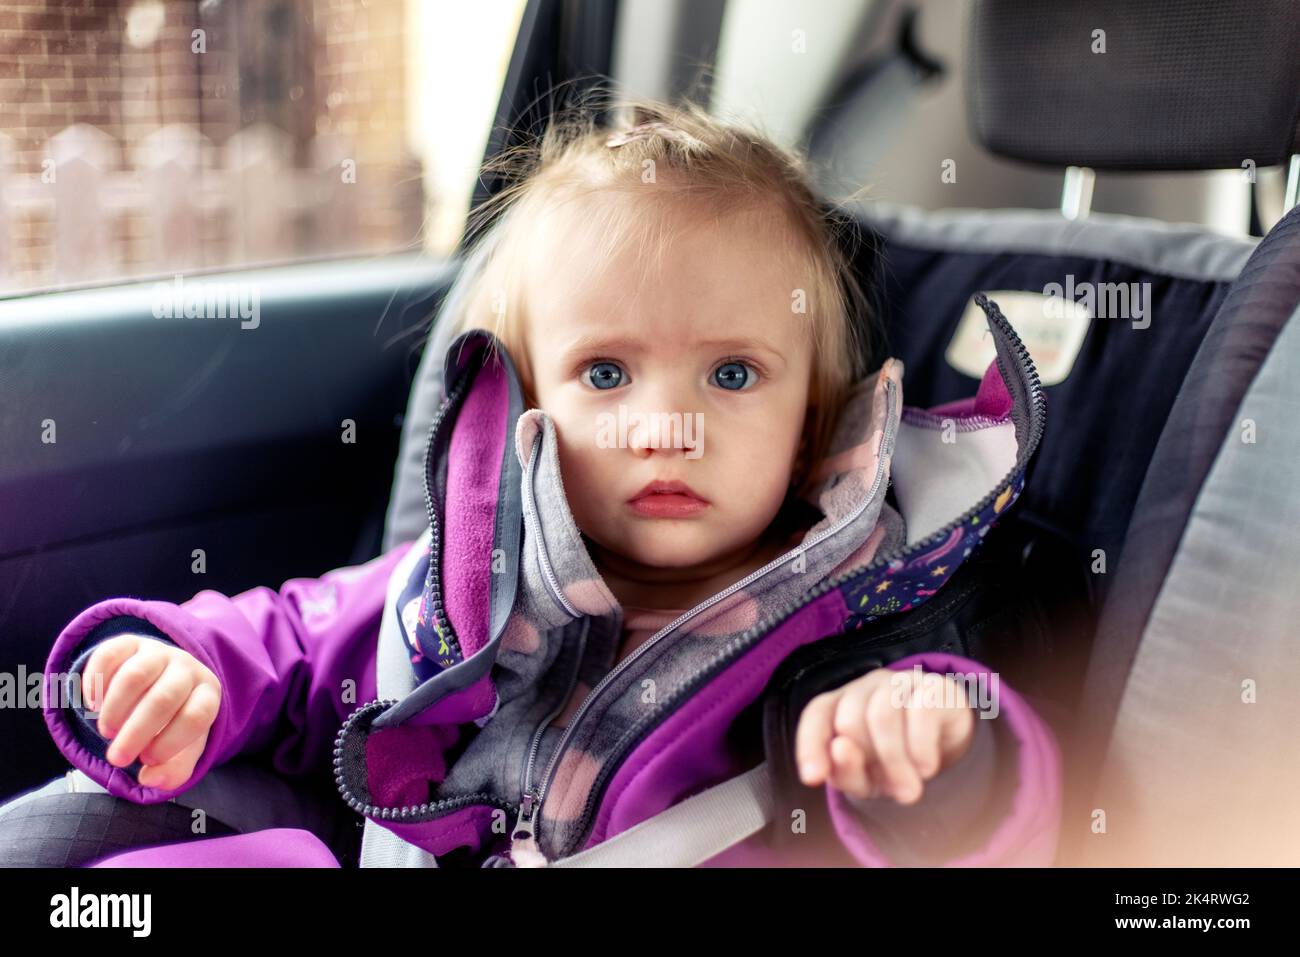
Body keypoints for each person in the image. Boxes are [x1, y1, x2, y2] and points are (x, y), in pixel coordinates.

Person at [2, 95, 1059, 867]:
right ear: (528, 412)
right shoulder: (447, 593)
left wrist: (935, 755)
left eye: (733, 374)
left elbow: (989, 805)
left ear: (810, 427)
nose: (667, 426)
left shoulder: (866, 628)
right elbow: (290, 633)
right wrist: (184, 673)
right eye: (606, 373)